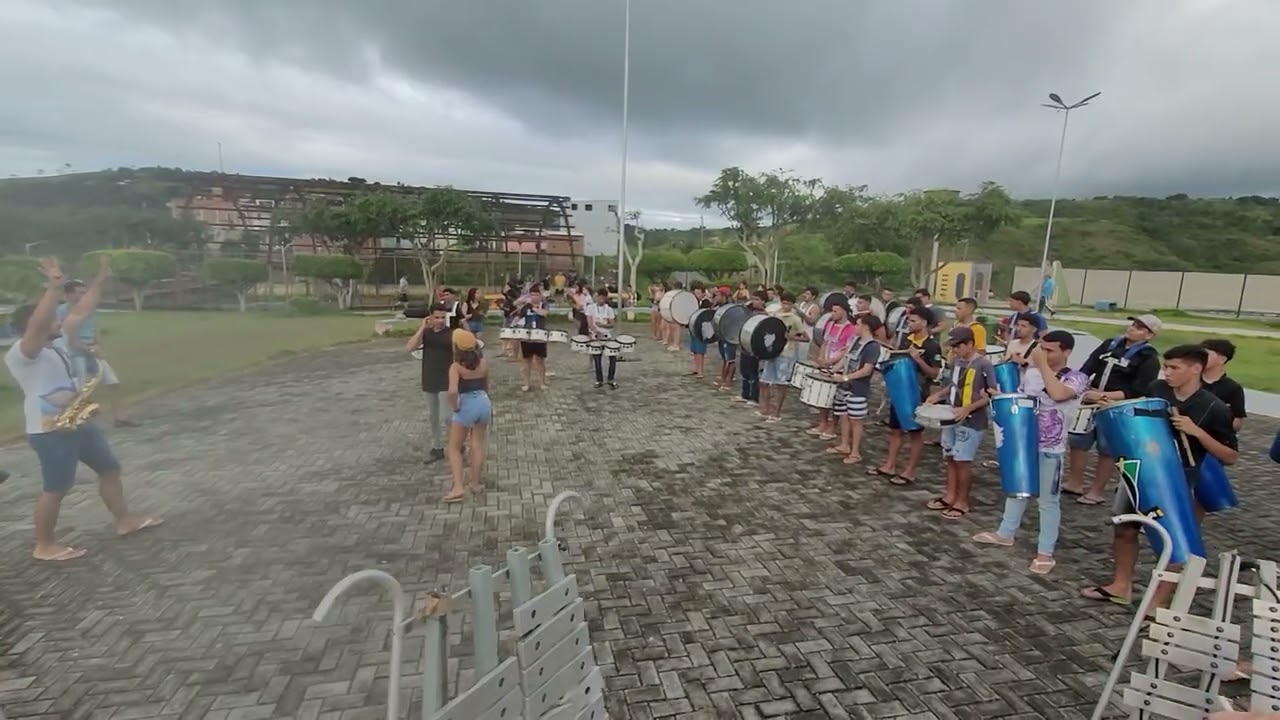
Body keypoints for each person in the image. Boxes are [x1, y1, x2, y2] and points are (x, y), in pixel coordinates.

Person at [6, 257, 161, 562]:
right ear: (31, 327)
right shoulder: (24, 354)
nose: (58, 322)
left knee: (110, 469)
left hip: (77, 422)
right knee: (57, 488)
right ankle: (44, 545)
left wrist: (101, 279)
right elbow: (39, 323)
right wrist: (53, 288)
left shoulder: (59, 342)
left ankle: (124, 520)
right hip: (50, 430)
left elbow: (83, 308)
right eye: (52, 319)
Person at [1080, 344, 1237, 607]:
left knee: (1172, 542)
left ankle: (1158, 603)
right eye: (1166, 366)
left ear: (1196, 369)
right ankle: (1121, 586)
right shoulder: (1158, 390)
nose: (1167, 372)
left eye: (1174, 367)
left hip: (1177, 480)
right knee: (1124, 529)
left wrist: (1197, 432)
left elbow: (1230, 456)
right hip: (1139, 472)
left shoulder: (1214, 406)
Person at [973, 331, 1089, 574]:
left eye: (1050, 350)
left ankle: (1045, 552)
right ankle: (1006, 532)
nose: (1043, 354)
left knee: (1048, 501)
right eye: (1042, 349)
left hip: (1051, 448)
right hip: (1023, 442)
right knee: (1017, 491)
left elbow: (1057, 395)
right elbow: (1020, 401)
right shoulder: (1032, 372)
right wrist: (999, 396)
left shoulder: (1077, 378)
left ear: (1066, 352)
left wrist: (1041, 364)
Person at [1064, 314, 1162, 503]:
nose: (1133, 328)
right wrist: (1076, 385)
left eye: (1140, 328)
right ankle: (1074, 482)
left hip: (1115, 405)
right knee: (1077, 440)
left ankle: (1096, 491)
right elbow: (1088, 366)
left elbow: (1139, 389)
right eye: (1133, 324)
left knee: (1107, 448)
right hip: (1090, 398)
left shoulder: (1148, 358)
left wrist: (1104, 396)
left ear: (1149, 335)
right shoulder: (1110, 344)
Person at [922, 327, 996, 519]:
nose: (955, 350)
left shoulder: (984, 365)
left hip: (972, 421)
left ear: (970, 344)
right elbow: (953, 385)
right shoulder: (955, 361)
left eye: (958, 346)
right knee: (950, 458)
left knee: (963, 461)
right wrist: (938, 395)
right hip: (951, 416)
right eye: (953, 346)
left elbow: (991, 395)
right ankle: (950, 495)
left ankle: (962, 502)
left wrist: (968, 408)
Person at [871, 306, 943, 486]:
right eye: (908, 321)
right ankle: (890, 465)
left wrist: (918, 359)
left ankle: (910, 470)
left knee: (914, 432)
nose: (909, 324)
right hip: (899, 390)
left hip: (916, 393)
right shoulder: (907, 341)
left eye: (913, 321)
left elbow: (935, 373)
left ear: (924, 322)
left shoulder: (931, 345)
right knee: (895, 430)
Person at [57, 279, 137, 427]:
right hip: (76, 354)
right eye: (79, 292)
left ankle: (120, 417)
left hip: (93, 350)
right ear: (68, 294)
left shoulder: (89, 309)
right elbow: (69, 338)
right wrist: (90, 349)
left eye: (84, 292)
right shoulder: (61, 312)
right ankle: (79, 421)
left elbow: (94, 328)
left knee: (113, 382)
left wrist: (98, 345)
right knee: (81, 389)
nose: (83, 295)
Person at [442, 329, 492, 503]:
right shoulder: (483, 362)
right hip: (483, 402)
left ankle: (458, 487)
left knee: (454, 448)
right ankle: (475, 483)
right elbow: (486, 384)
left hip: (466, 404)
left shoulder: (456, 366)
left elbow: (452, 391)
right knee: (477, 443)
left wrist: (455, 407)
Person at [828, 314, 885, 463]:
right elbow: (846, 358)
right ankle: (844, 444)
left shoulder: (873, 346)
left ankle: (855, 452)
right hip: (846, 385)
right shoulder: (856, 341)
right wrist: (833, 370)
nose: (856, 327)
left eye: (858, 325)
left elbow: (867, 370)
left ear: (866, 327)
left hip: (858, 387)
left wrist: (846, 377)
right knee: (844, 415)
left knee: (856, 420)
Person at [407, 302, 456, 464]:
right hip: (429, 378)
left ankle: (454, 446)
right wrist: (422, 327)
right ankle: (437, 447)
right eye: (437, 317)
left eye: (443, 317)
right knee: (433, 416)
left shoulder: (451, 334)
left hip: (446, 380)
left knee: (448, 416)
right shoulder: (426, 333)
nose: (440, 320)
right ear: (430, 317)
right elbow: (410, 347)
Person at [757, 291, 809, 422]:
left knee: (781, 384)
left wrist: (791, 337)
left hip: (786, 353)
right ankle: (766, 408)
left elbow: (806, 338)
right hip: (772, 351)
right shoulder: (776, 315)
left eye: (788, 303)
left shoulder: (795, 319)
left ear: (792, 304)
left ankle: (777, 412)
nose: (785, 305)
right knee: (764, 381)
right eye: (783, 302)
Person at [808, 300, 855, 439]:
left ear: (844, 311)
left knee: (836, 399)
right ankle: (823, 422)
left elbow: (847, 350)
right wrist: (821, 358)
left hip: (839, 366)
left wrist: (831, 361)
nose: (832, 314)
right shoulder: (829, 325)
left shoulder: (850, 329)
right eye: (832, 311)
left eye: (836, 311)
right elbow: (824, 343)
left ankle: (833, 426)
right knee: (824, 395)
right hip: (826, 363)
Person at [1200, 338, 1246, 431]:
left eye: (1206, 354)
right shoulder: (1190, 380)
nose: (1200, 357)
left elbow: (1238, 420)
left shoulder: (1233, 388)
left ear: (1222, 359)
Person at [516, 286, 550, 392]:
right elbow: (518, 316)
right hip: (527, 336)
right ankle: (526, 383)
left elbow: (545, 313)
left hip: (540, 336)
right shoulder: (526, 306)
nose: (534, 297)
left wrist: (534, 308)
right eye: (532, 295)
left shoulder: (544, 304)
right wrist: (512, 326)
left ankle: (542, 382)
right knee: (526, 361)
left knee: (540, 361)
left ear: (540, 296)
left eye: (536, 294)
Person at [737, 291, 768, 406]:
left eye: (757, 299)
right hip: (745, 345)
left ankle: (754, 397)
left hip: (754, 347)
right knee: (744, 371)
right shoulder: (748, 311)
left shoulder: (764, 315)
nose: (754, 301)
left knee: (753, 372)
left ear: (763, 301)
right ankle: (745, 394)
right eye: (753, 299)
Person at [586, 287, 619, 389]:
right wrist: (596, 331)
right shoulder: (591, 308)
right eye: (598, 298)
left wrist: (603, 326)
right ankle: (599, 379)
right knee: (597, 359)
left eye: (602, 298)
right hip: (596, 336)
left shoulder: (609, 309)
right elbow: (590, 323)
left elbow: (612, 324)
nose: (600, 300)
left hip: (607, 336)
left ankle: (611, 378)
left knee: (612, 357)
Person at [713, 289, 738, 391]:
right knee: (724, 358)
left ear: (724, 296)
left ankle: (728, 380)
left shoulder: (732, 308)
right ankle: (723, 378)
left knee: (730, 359)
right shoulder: (720, 307)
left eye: (718, 295)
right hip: (722, 335)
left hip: (730, 335)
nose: (716, 297)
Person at [686, 284, 713, 378]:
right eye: (695, 293)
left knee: (700, 350)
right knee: (694, 349)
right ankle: (695, 368)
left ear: (703, 293)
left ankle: (701, 370)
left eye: (698, 293)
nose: (696, 295)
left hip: (701, 329)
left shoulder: (706, 302)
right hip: (693, 327)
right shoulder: (691, 302)